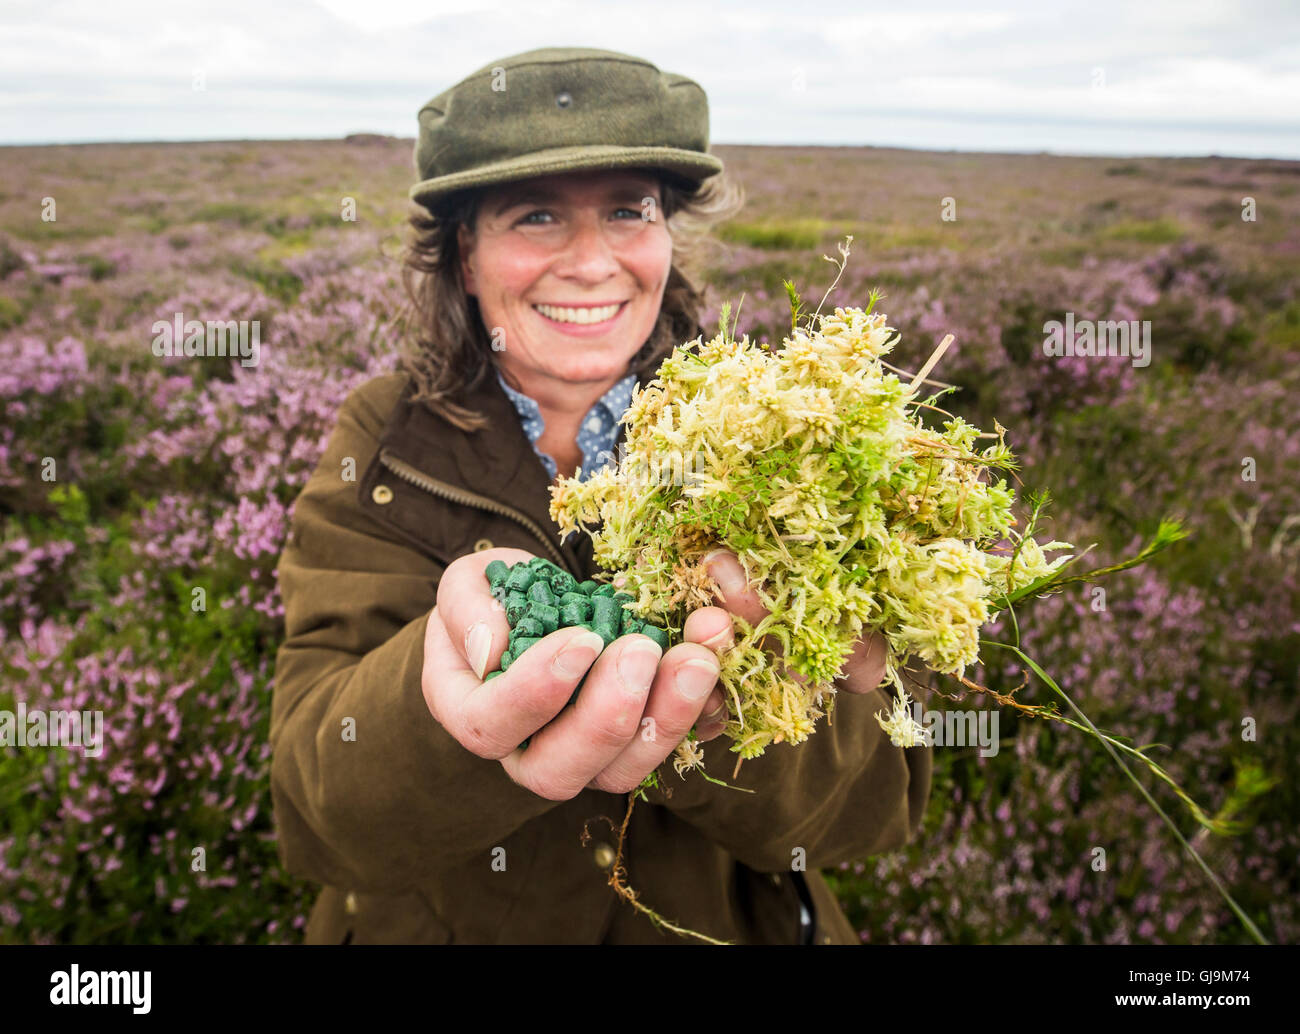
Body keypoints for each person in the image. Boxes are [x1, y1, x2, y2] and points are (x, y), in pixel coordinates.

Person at [269, 45, 932, 945]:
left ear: (668, 237)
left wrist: (734, 720)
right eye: (535, 217)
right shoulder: (386, 441)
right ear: (464, 258)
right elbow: (317, 814)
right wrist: (447, 704)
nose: (592, 263)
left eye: (629, 210)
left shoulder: (787, 438)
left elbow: (872, 816)